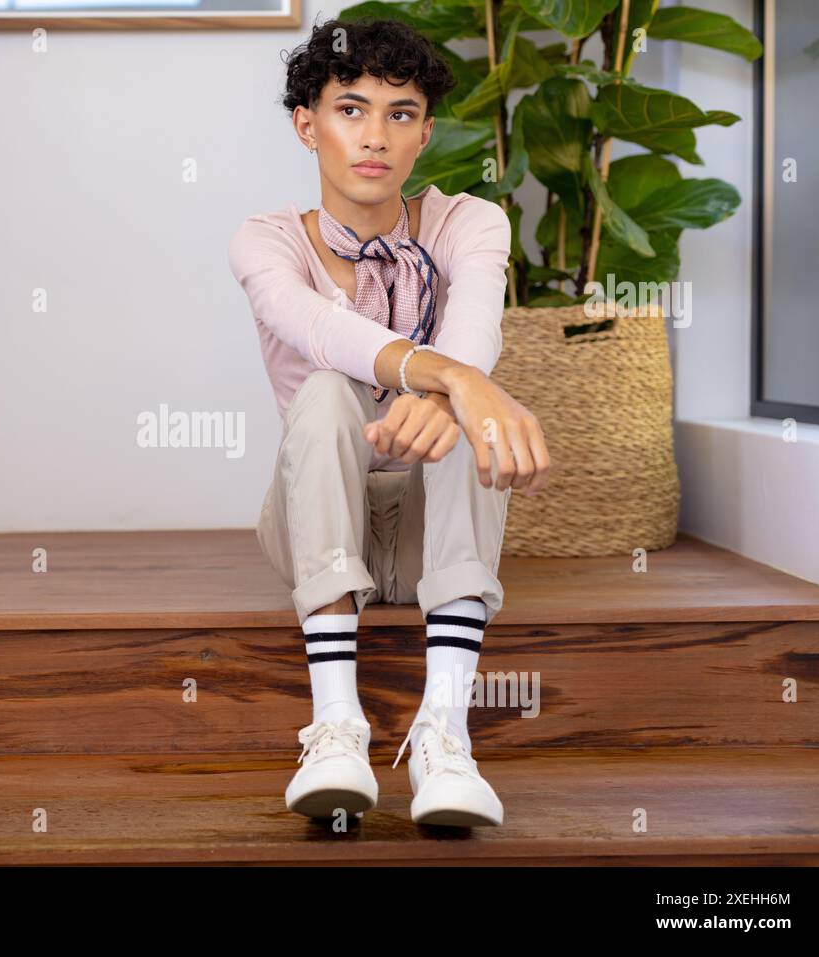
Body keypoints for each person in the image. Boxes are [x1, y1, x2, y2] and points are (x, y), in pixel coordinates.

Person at [227, 17, 552, 827]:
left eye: (400, 114)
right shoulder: (267, 241)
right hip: (313, 521)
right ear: (307, 125)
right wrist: (455, 380)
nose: (375, 136)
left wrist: (451, 393)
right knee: (330, 389)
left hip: (429, 526)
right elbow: (329, 334)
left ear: (425, 133)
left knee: (455, 413)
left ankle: (445, 733)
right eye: (351, 109)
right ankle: (337, 725)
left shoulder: (468, 222)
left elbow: (475, 324)